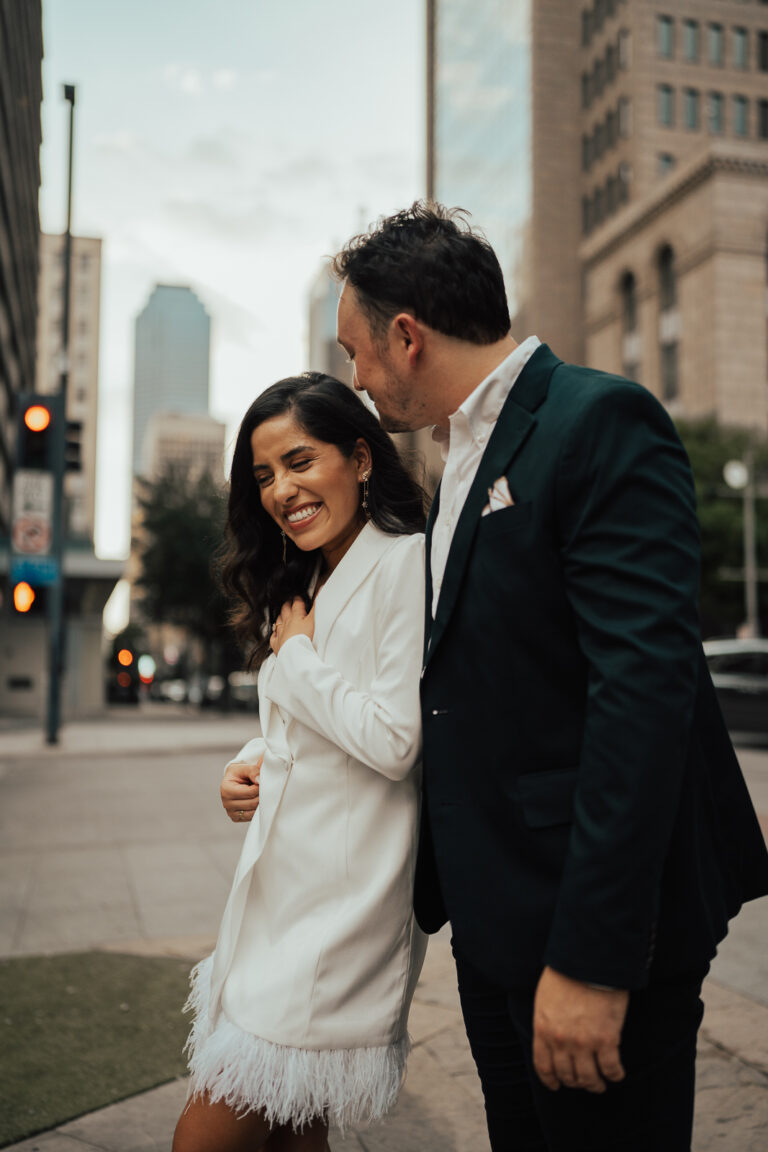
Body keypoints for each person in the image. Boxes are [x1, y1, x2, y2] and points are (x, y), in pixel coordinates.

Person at [328, 202, 768, 1152]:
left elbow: (643, 697)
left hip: (594, 942)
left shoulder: (600, 419)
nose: (353, 378)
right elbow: (471, 687)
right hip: (499, 929)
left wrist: (593, 961)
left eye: (354, 352)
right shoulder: (458, 462)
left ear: (406, 337)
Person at [174, 373, 428, 1152]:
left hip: (342, 909)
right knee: (292, 1137)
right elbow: (310, 721)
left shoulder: (406, 564)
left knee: (205, 1137)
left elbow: (395, 740)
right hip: (285, 894)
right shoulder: (306, 578)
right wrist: (250, 760)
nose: (282, 490)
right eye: (264, 477)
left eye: (299, 461)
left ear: (359, 459)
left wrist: (301, 659)